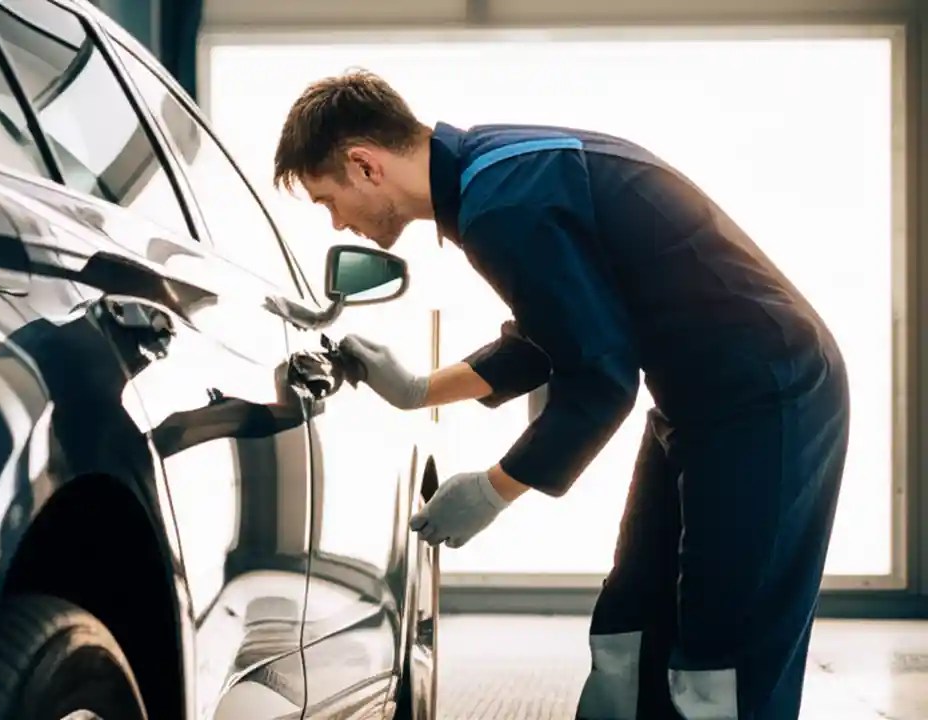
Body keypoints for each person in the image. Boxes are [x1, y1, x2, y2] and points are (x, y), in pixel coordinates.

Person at [271, 69, 850, 720]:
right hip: (695, 400)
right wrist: (417, 391)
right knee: (630, 624)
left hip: (770, 394)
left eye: (327, 201)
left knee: (723, 652)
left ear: (364, 165)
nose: (338, 224)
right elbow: (553, 334)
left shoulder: (505, 202)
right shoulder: (489, 179)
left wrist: (493, 488)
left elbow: (600, 381)